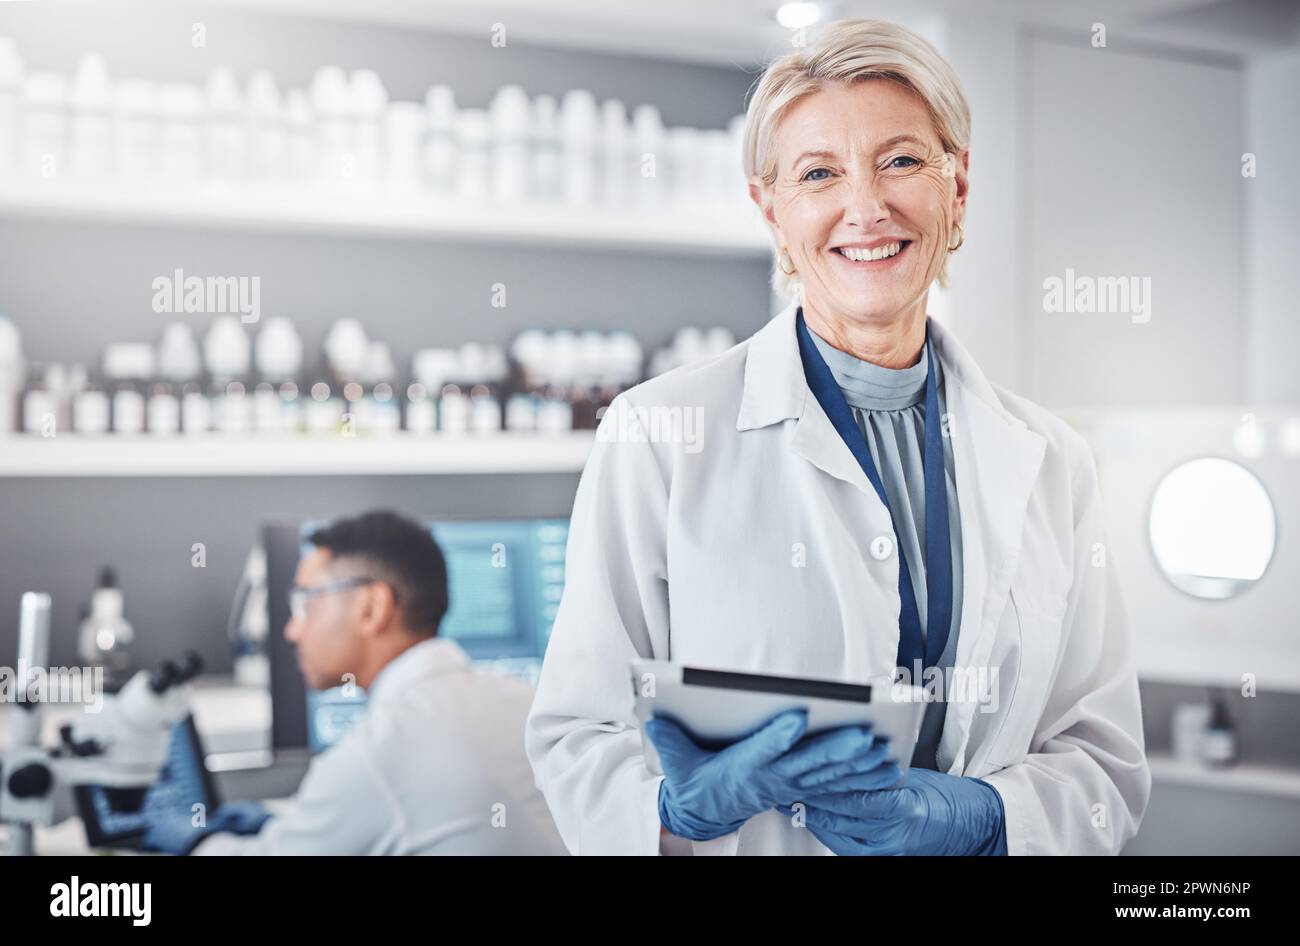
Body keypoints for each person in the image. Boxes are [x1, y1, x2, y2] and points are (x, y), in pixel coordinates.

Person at [526, 18, 1150, 855]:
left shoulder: (1051, 463)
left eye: (901, 161)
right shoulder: (660, 436)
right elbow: (575, 732)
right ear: (772, 211)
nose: (866, 207)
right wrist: (677, 813)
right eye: (819, 173)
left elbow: (1103, 761)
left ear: (957, 188)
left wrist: (978, 817)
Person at [144, 510, 566, 855]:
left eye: (306, 602)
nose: (292, 630)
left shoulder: (378, 752)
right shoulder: (527, 705)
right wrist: (283, 825)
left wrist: (194, 840)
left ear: (371, 607)